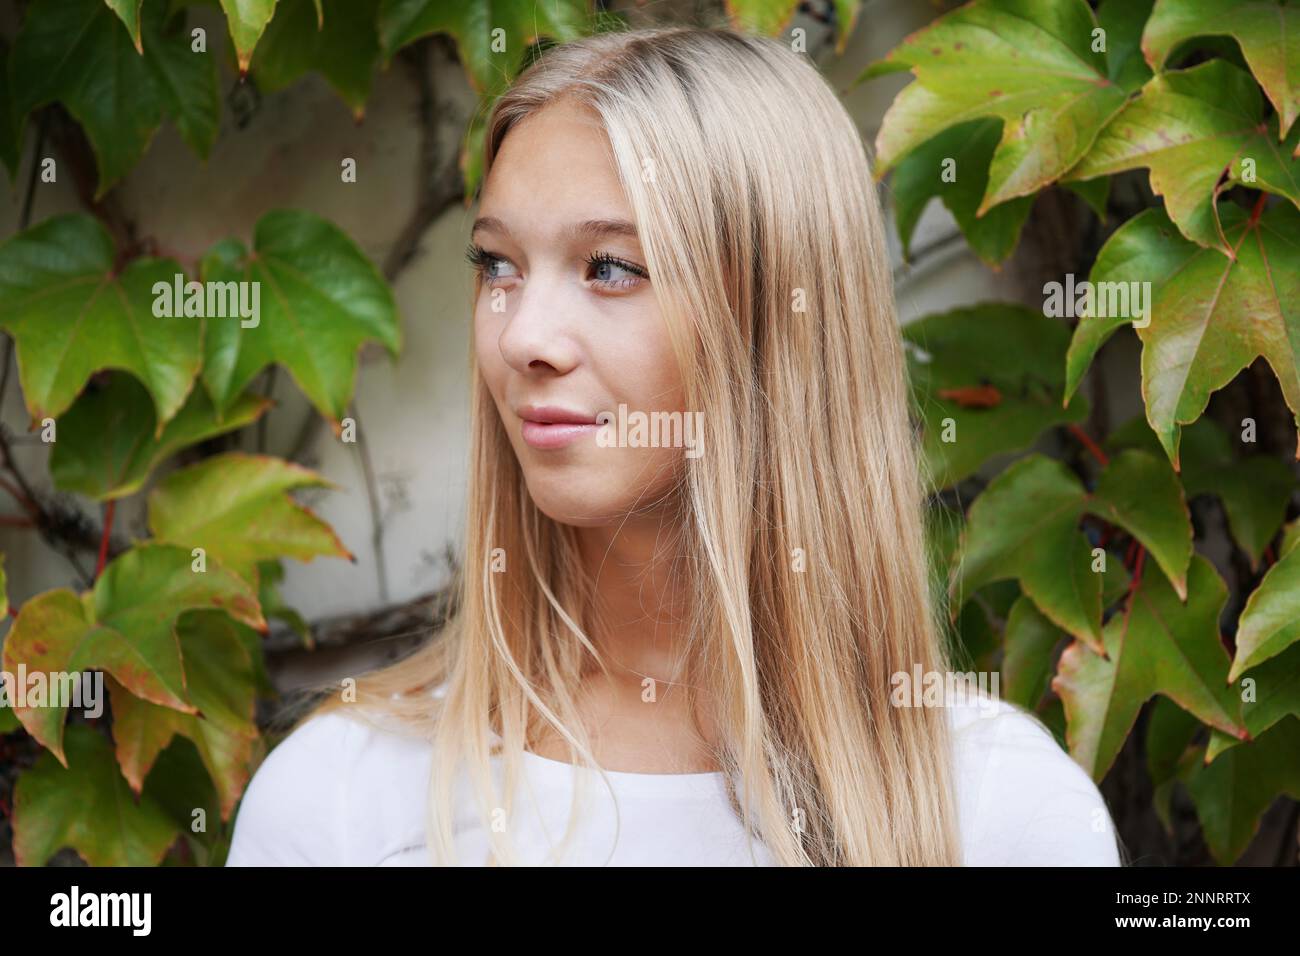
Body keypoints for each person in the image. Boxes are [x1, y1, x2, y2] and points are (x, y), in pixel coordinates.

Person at [226, 25, 1123, 867]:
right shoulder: (339, 803)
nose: (521, 336)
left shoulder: (1006, 815)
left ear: (779, 315)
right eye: (496, 264)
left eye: (611, 267)